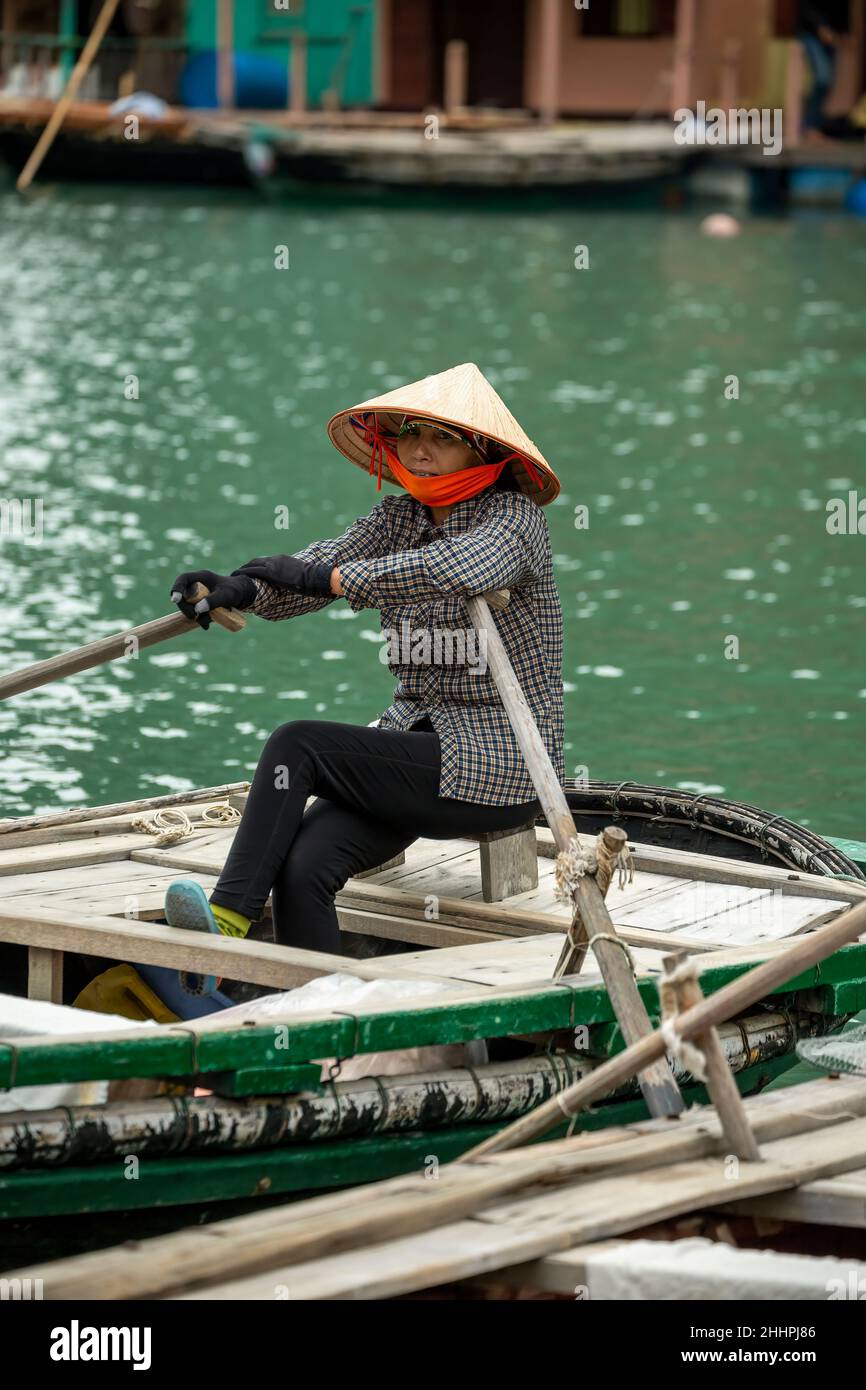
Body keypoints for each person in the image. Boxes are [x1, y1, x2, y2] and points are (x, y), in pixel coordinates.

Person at [165, 362, 564, 994]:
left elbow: (453, 569)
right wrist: (238, 586)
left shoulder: (513, 520)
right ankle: (313, 1019)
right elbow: (321, 563)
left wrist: (324, 579)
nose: (420, 449)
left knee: (297, 743)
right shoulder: (398, 519)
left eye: (441, 437)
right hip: (420, 753)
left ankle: (229, 915)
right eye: (407, 433)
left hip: (503, 763)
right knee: (304, 867)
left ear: (482, 450)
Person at [797, 2, 841, 143]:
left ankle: (812, 126)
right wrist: (819, 27)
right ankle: (809, 127)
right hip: (810, 31)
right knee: (823, 78)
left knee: (826, 81)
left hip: (830, 32)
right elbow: (803, 7)